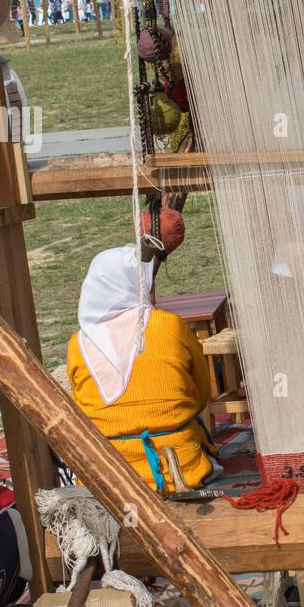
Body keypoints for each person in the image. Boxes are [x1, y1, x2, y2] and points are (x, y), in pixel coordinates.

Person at [67, 210, 225, 494]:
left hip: (108, 476)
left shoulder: (78, 344)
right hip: (179, 466)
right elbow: (203, 392)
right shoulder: (168, 326)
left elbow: (82, 407)